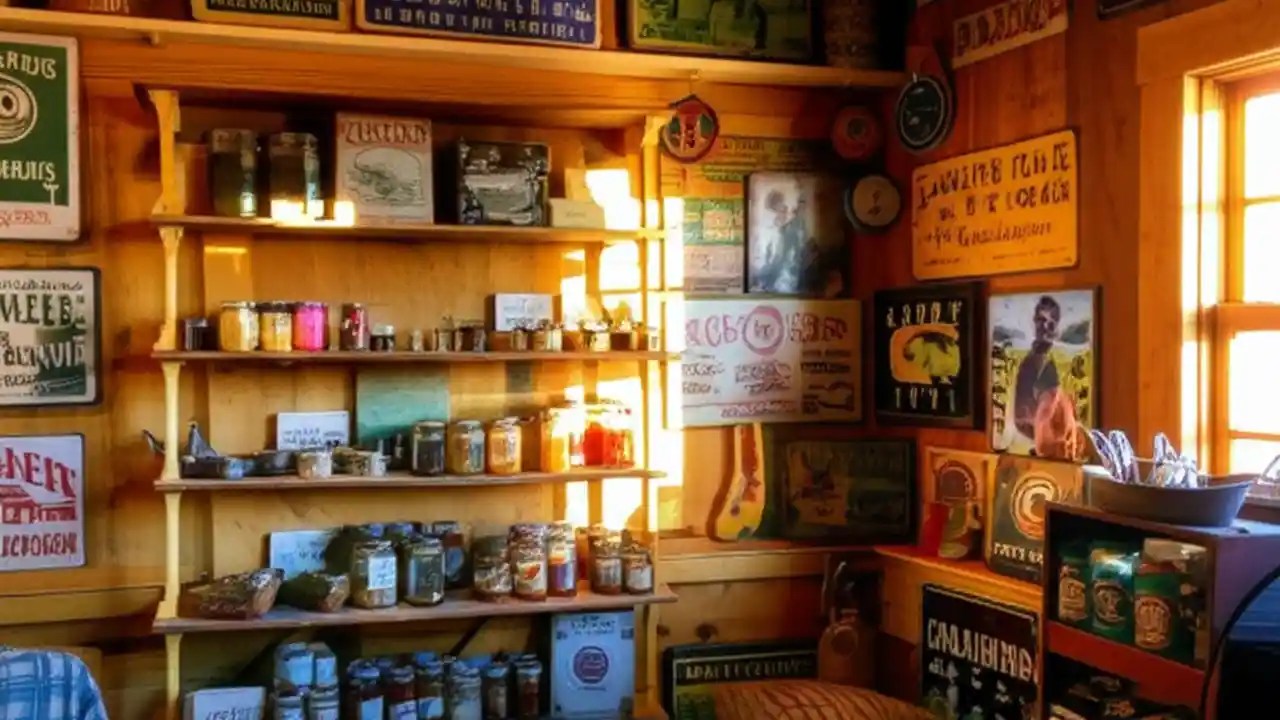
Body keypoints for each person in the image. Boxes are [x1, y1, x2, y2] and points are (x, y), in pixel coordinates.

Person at [1012, 296, 1063, 448]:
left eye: (1051, 323)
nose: (1045, 326)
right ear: (1034, 321)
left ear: (1056, 327)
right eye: (1041, 320)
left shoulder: (1054, 363)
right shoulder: (1027, 360)